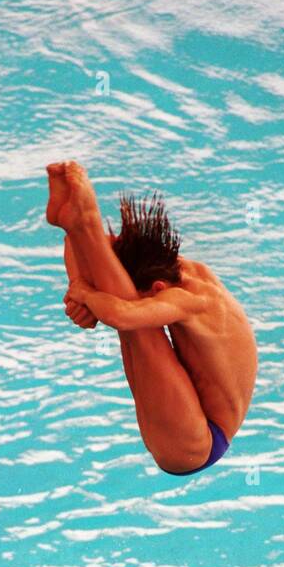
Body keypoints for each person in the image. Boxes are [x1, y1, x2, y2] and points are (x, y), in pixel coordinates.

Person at [47, 161, 257, 474]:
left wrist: (86, 295)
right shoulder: (178, 267)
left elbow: (121, 313)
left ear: (158, 288)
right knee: (130, 310)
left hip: (197, 442)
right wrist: (82, 287)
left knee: (136, 325)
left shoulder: (189, 299)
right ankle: (77, 225)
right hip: (187, 400)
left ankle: (85, 222)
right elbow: (103, 259)